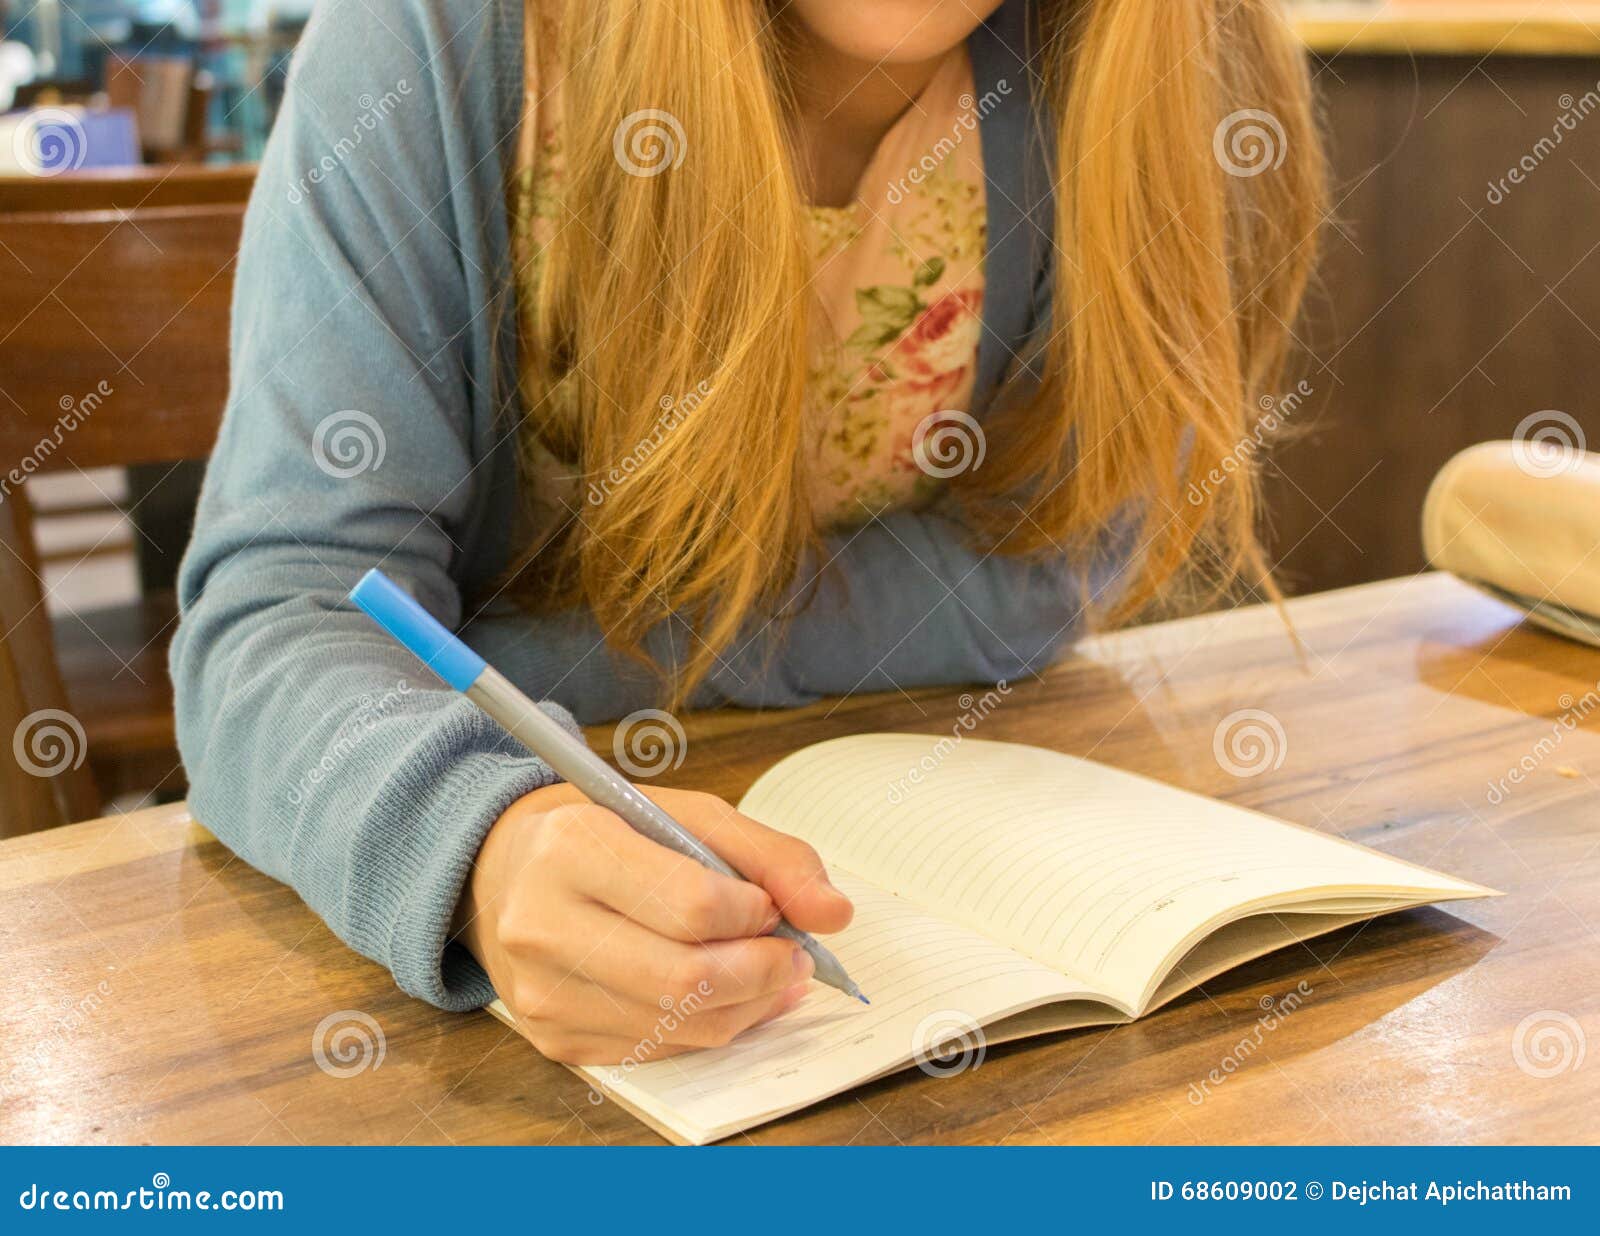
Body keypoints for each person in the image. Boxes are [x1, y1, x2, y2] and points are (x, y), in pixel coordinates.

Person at [172, 0, 1325, 1064]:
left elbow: (1056, 558)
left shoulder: (1174, 55)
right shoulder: (440, 38)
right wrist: (476, 840)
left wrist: (502, 658)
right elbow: (282, 619)